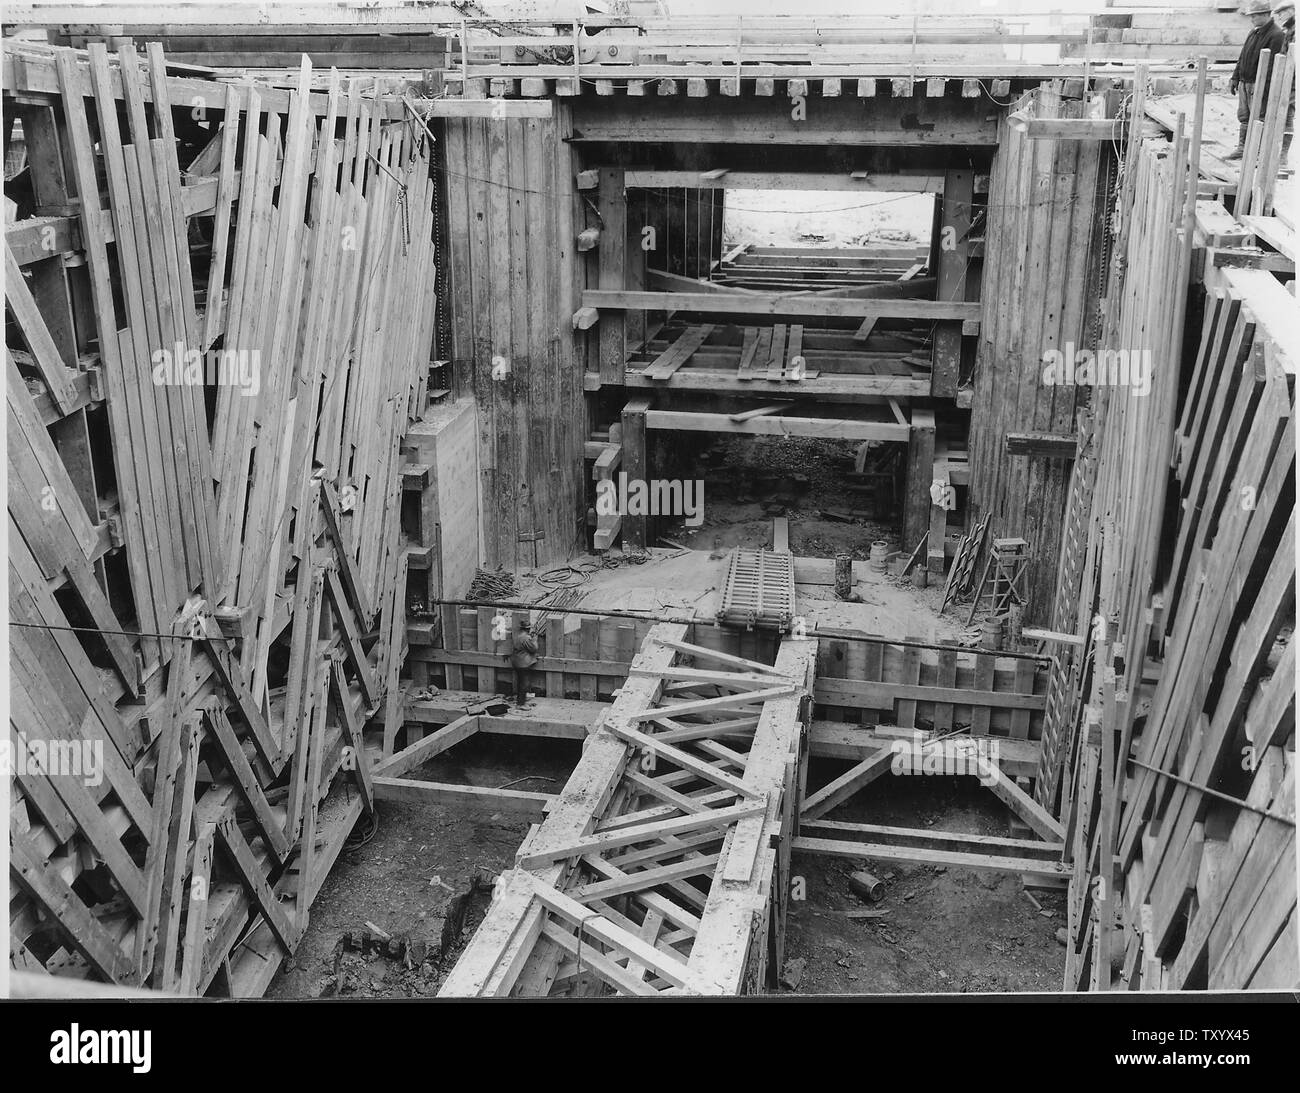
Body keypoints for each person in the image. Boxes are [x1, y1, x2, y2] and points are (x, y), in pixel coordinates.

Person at [1227, 0, 1288, 160]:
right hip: (1245, 83)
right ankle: (1242, 148)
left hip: (1258, 85)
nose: (1252, 19)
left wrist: (1264, 90)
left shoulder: (1276, 35)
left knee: (1259, 118)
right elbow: (1243, 56)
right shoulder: (1254, 32)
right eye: (1251, 16)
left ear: (1266, 15)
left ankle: (1256, 152)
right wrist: (1235, 77)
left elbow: (1272, 67)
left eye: (1254, 16)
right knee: (1244, 117)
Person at [1276, 1, 1295, 162]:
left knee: (1288, 115)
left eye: (1282, 12)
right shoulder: (1289, 30)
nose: (1279, 16)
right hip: (1287, 79)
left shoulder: (1295, 31)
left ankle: (1283, 155)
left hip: (1293, 81)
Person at [509, 618, 538, 707]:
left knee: (520, 682)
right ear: (528, 629)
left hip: (517, 662)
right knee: (524, 684)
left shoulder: (518, 636)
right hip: (523, 664)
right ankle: (520, 704)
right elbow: (533, 649)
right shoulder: (525, 638)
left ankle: (521, 700)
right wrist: (534, 639)